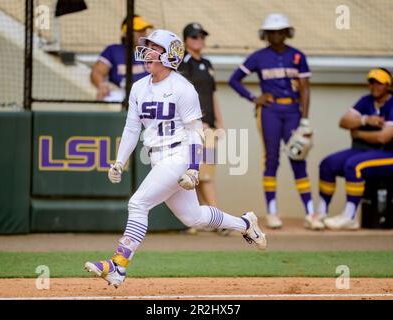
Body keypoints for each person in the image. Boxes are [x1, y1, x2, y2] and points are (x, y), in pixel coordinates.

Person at [84, 29, 267, 288]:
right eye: (146, 47)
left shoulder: (183, 88)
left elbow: (196, 133)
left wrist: (193, 168)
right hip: (158, 158)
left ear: (170, 54)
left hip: (179, 154)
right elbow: (131, 128)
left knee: (138, 204)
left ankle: (118, 265)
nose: (147, 52)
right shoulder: (138, 87)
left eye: (154, 48)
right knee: (193, 218)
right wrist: (119, 160)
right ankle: (245, 224)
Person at [229, 13, 315, 229]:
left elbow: (305, 89)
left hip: (293, 110)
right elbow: (234, 79)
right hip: (269, 111)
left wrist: (305, 119)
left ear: (287, 32)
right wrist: (253, 98)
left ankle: (311, 213)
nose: (276, 35)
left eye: (280, 31)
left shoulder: (298, 56)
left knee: (298, 158)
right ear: (265, 34)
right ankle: (272, 212)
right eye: (271, 32)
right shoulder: (258, 57)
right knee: (272, 159)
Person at [317, 68, 393, 230]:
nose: (374, 86)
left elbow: (384, 137)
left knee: (354, 165)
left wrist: (358, 133)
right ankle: (321, 213)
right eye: (371, 82)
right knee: (327, 164)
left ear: (388, 85)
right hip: (365, 151)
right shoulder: (366, 101)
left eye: (379, 83)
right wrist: (366, 120)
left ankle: (349, 216)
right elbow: (344, 122)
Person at [178, 22, 227, 236]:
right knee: (202, 173)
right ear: (186, 40)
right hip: (196, 127)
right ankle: (218, 220)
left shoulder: (207, 63)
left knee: (203, 172)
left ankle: (200, 220)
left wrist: (220, 122)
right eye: (195, 36)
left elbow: (213, 94)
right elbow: (184, 96)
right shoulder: (184, 63)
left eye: (202, 36)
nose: (200, 40)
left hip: (210, 127)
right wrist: (198, 121)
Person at [90, 15, 153, 102]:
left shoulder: (151, 52)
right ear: (126, 33)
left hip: (149, 96)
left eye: (144, 30)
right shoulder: (113, 50)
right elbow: (97, 72)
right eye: (138, 30)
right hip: (121, 95)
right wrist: (101, 85)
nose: (142, 33)